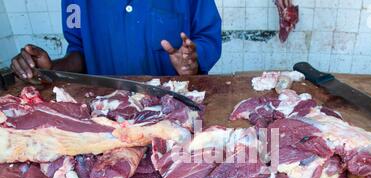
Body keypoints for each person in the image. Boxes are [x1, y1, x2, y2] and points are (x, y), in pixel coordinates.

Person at [11, 0, 222, 79]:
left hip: (173, 110)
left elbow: (207, 37)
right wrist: (51, 69)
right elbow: (81, 51)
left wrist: (191, 61)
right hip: (107, 113)